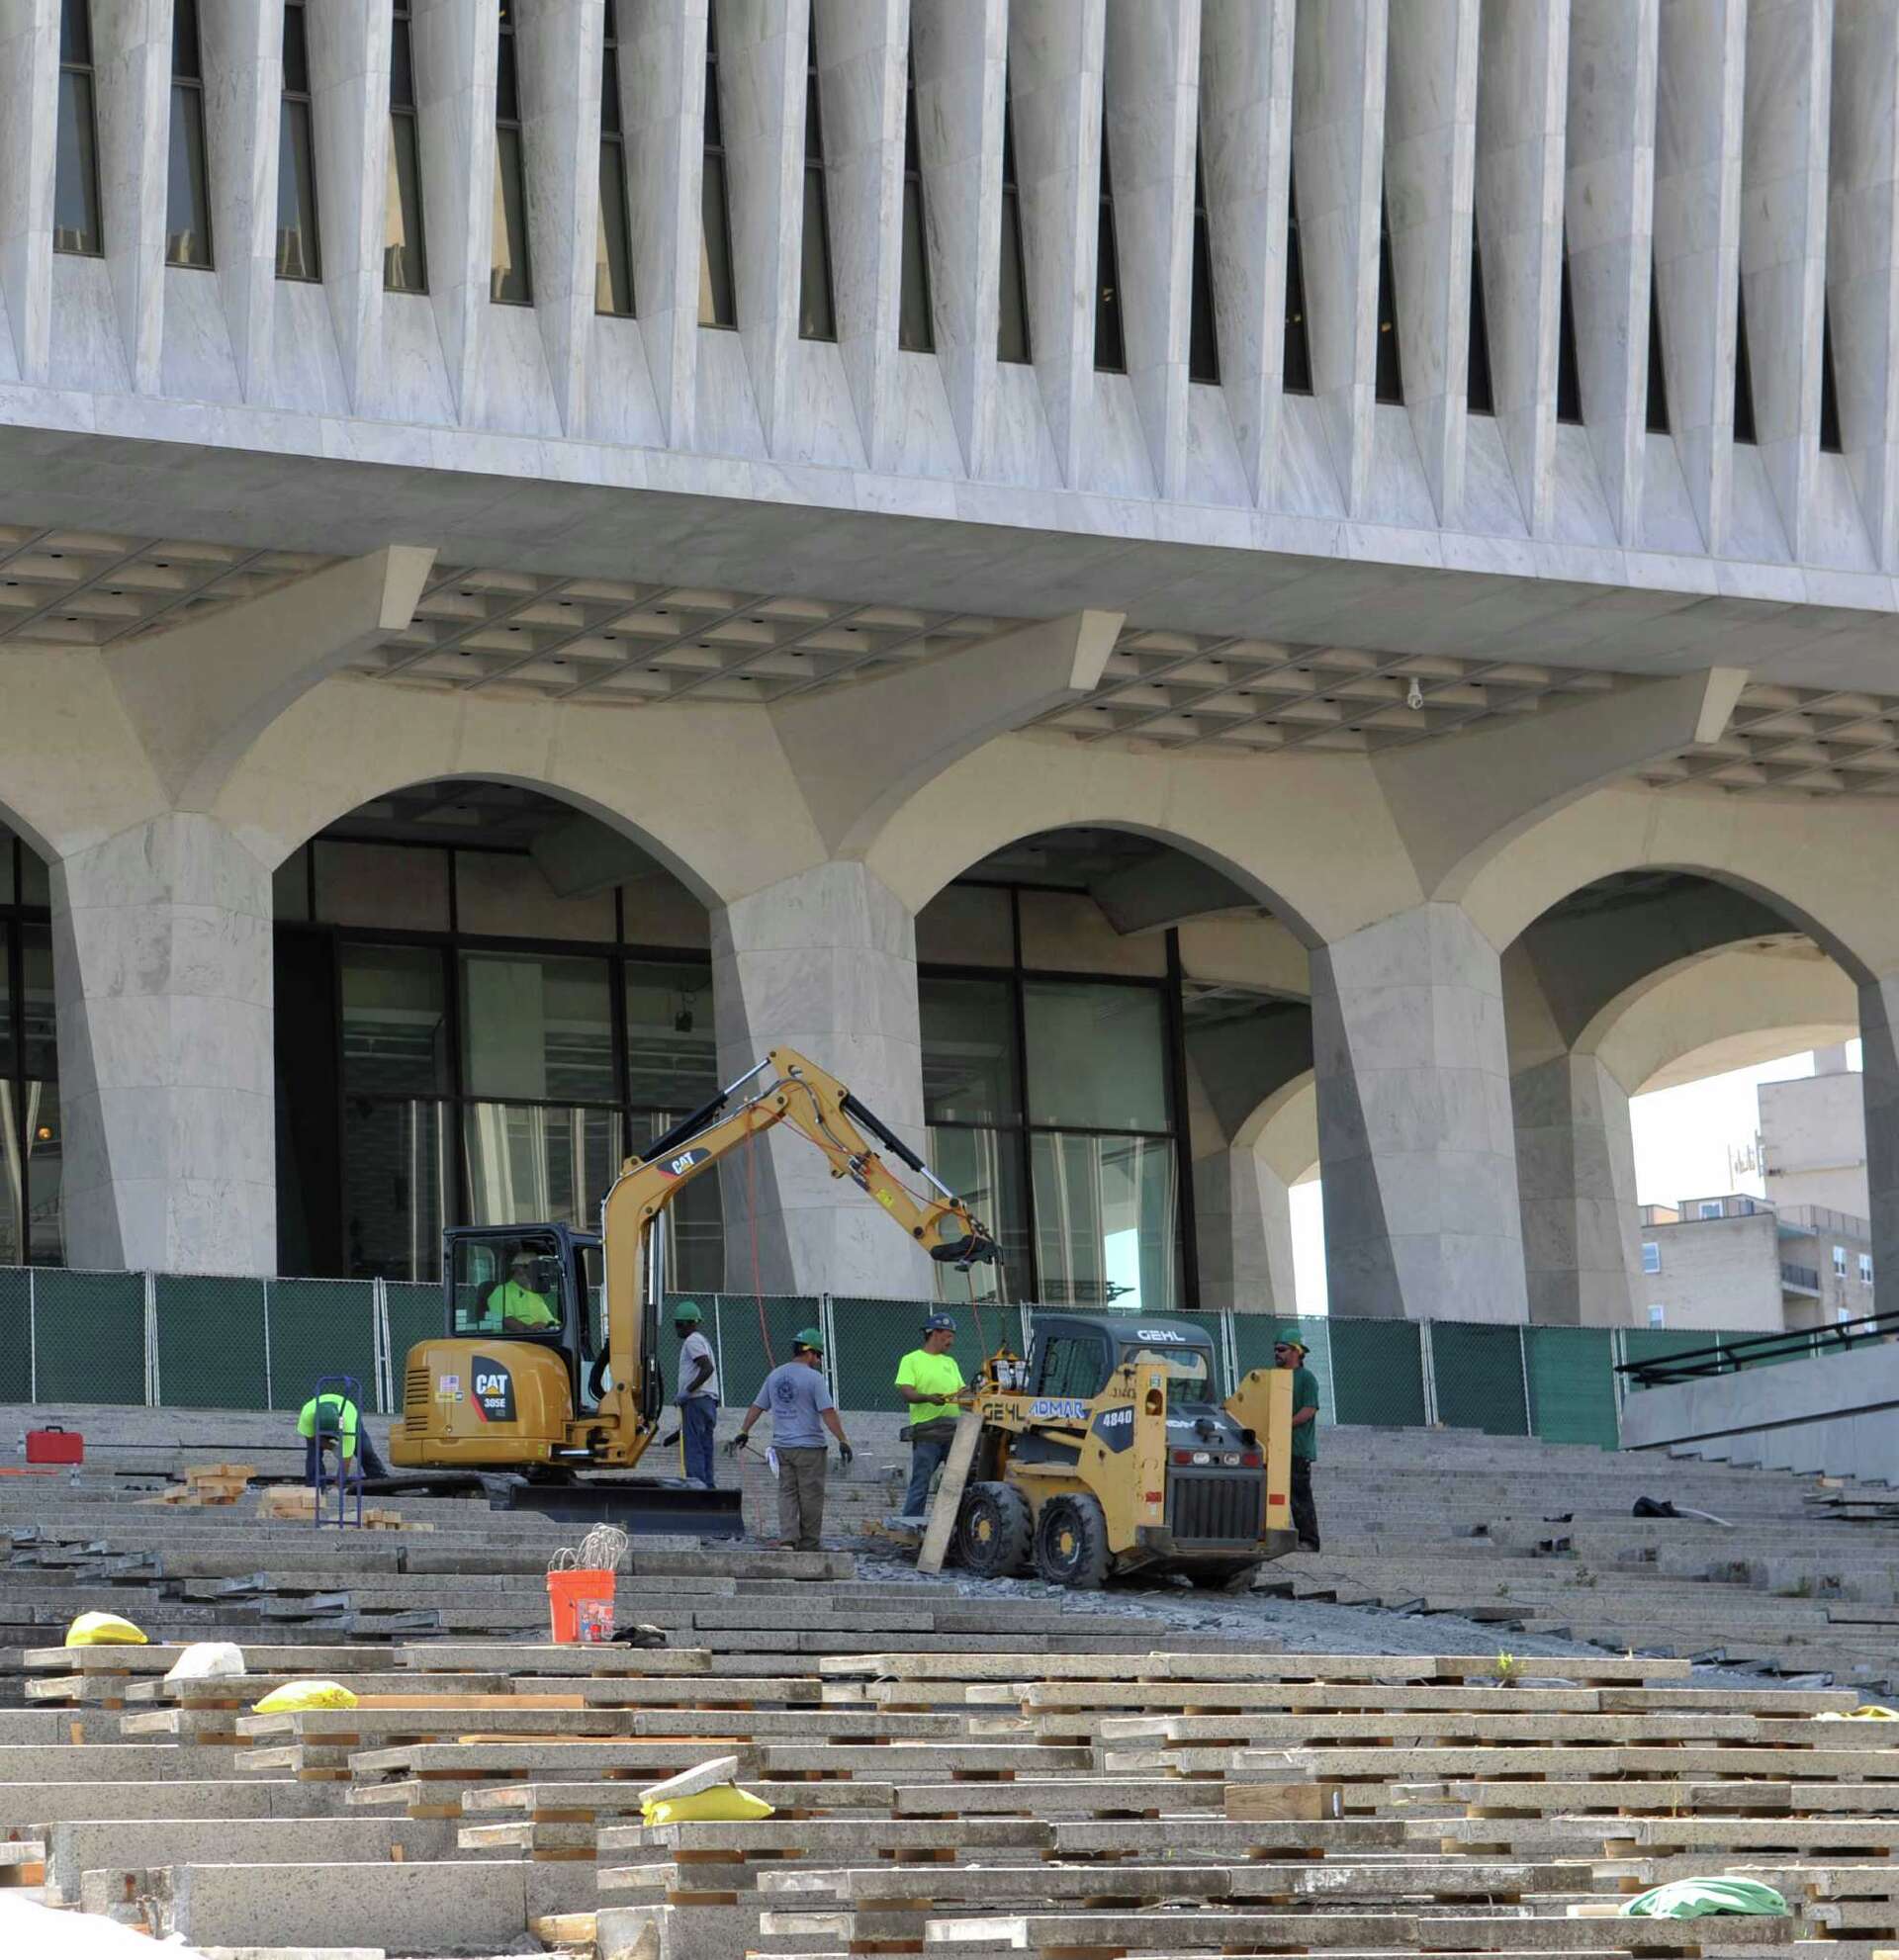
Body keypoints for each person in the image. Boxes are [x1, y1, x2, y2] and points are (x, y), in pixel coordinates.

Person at [725, 1328, 853, 1551]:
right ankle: (810, 1542)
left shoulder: (775, 1375)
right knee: (810, 1496)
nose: (819, 1360)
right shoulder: (814, 1379)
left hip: (782, 1447)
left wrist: (744, 1430)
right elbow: (828, 1412)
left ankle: (787, 1540)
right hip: (810, 1448)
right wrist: (842, 1439)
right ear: (810, 1352)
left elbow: (758, 1406)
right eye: (818, 1355)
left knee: (787, 1494)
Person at [895, 1313, 972, 1524]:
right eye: (947, 1336)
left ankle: (953, 1525)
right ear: (934, 1334)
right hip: (927, 1433)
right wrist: (928, 1398)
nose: (951, 1341)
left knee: (958, 1483)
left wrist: (974, 1396)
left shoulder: (951, 1363)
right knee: (921, 1483)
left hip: (953, 1433)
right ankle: (910, 1525)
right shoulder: (911, 1360)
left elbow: (962, 1393)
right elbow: (906, 1392)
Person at [661, 1300, 720, 1489]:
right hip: (708, 1402)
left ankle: (697, 1487)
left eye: (678, 1324)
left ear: (688, 1323)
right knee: (705, 1447)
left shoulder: (692, 1341)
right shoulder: (702, 1340)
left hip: (697, 1401)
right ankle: (708, 1486)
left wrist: (687, 1391)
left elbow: (706, 1367)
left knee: (693, 1446)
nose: (676, 1329)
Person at [1275, 1329, 1321, 1552]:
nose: (1277, 1353)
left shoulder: (1306, 1378)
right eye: (1276, 1349)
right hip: (1276, 1447)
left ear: (1296, 1351)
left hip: (1297, 1449)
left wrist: (1284, 1425)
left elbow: (1309, 1409)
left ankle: (1309, 1540)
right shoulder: (1274, 1376)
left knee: (1300, 1496)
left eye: (1282, 1349)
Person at [298, 1387, 388, 1485]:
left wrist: (338, 1485)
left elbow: (346, 1459)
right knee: (313, 1453)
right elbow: (311, 1437)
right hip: (318, 1429)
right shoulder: (307, 1415)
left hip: (349, 1415)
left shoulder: (347, 1423)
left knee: (364, 1449)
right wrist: (333, 1447)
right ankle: (314, 1485)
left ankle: (379, 1480)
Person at [488, 1251, 559, 1331]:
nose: (530, 1271)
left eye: (535, 1268)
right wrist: (530, 1329)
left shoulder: (534, 1293)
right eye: (526, 1267)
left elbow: (549, 1321)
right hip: (516, 1341)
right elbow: (505, 1321)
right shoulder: (501, 1291)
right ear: (515, 1268)